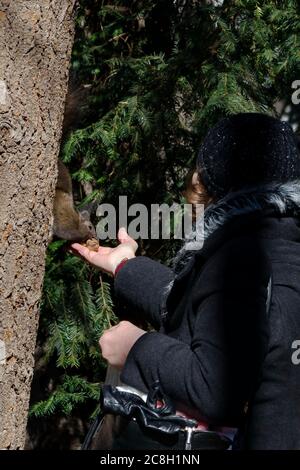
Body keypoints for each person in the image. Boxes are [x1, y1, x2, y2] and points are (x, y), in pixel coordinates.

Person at [72, 113, 300, 450]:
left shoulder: (241, 260)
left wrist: (136, 347)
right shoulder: (282, 250)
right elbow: (202, 309)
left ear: (208, 185)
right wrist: (125, 266)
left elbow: (214, 390)